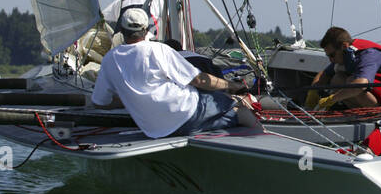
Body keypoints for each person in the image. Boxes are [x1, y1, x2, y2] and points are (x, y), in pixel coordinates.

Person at [91, 8, 259, 137]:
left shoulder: (109, 59)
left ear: (121, 30)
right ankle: (264, 139)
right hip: (188, 113)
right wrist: (232, 86)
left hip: (155, 130)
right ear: (145, 29)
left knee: (221, 104)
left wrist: (130, 99)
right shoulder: (158, 49)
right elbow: (199, 80)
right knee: (241, 108)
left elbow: (100, 103)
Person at [310, 27, 381, 111]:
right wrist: (313, 91)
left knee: (352, 81)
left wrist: (331, 99)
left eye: (332, 55)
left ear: (344, 46)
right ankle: (360, 113)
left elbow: (360, 85)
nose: (331, 60)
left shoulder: (368, 53)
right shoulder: (346, 54)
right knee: (338, 78)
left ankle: (379, 117)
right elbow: (325, 74)